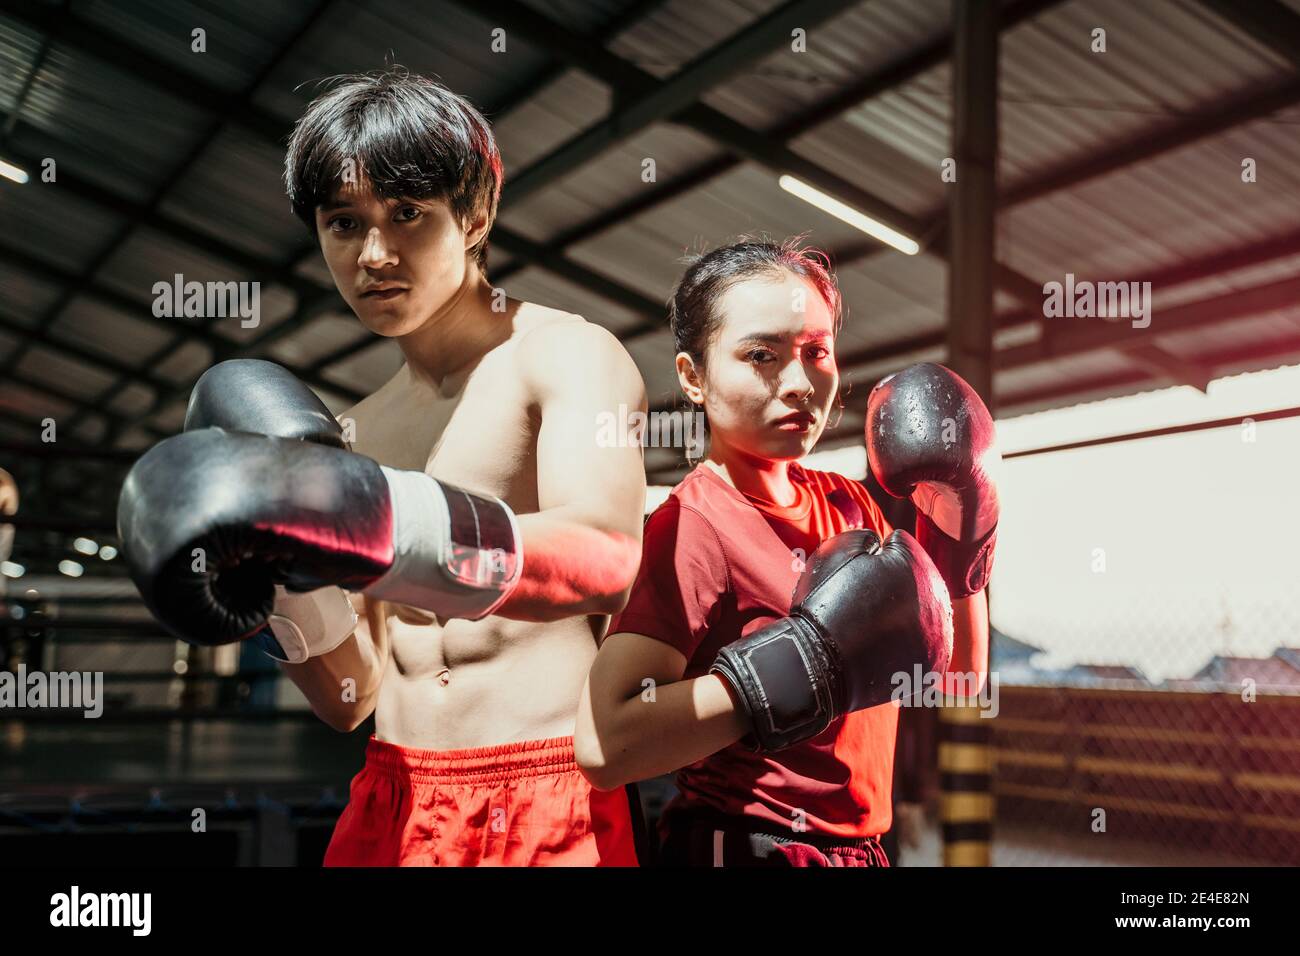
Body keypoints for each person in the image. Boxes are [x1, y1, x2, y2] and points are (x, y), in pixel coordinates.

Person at [117, 70, 648, 866]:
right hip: (394, 795)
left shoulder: (566, 356)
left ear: (475, 215)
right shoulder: (351, 429)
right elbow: (352, 697)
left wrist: (377, 517)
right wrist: (272, 597)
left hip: (541, 789)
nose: (373, 254)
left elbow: (608, 559)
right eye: (343, 222)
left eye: (407, 214)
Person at [574, 238, 994, 866]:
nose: (799, 383)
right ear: (694, 378)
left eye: (816, 352)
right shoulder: (693, 524)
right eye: (761, 356)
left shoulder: (853, 505)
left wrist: (962, 540)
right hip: (743, 851)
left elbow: (956, 681)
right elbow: (607, 746)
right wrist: (802, 667)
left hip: (864, 852)